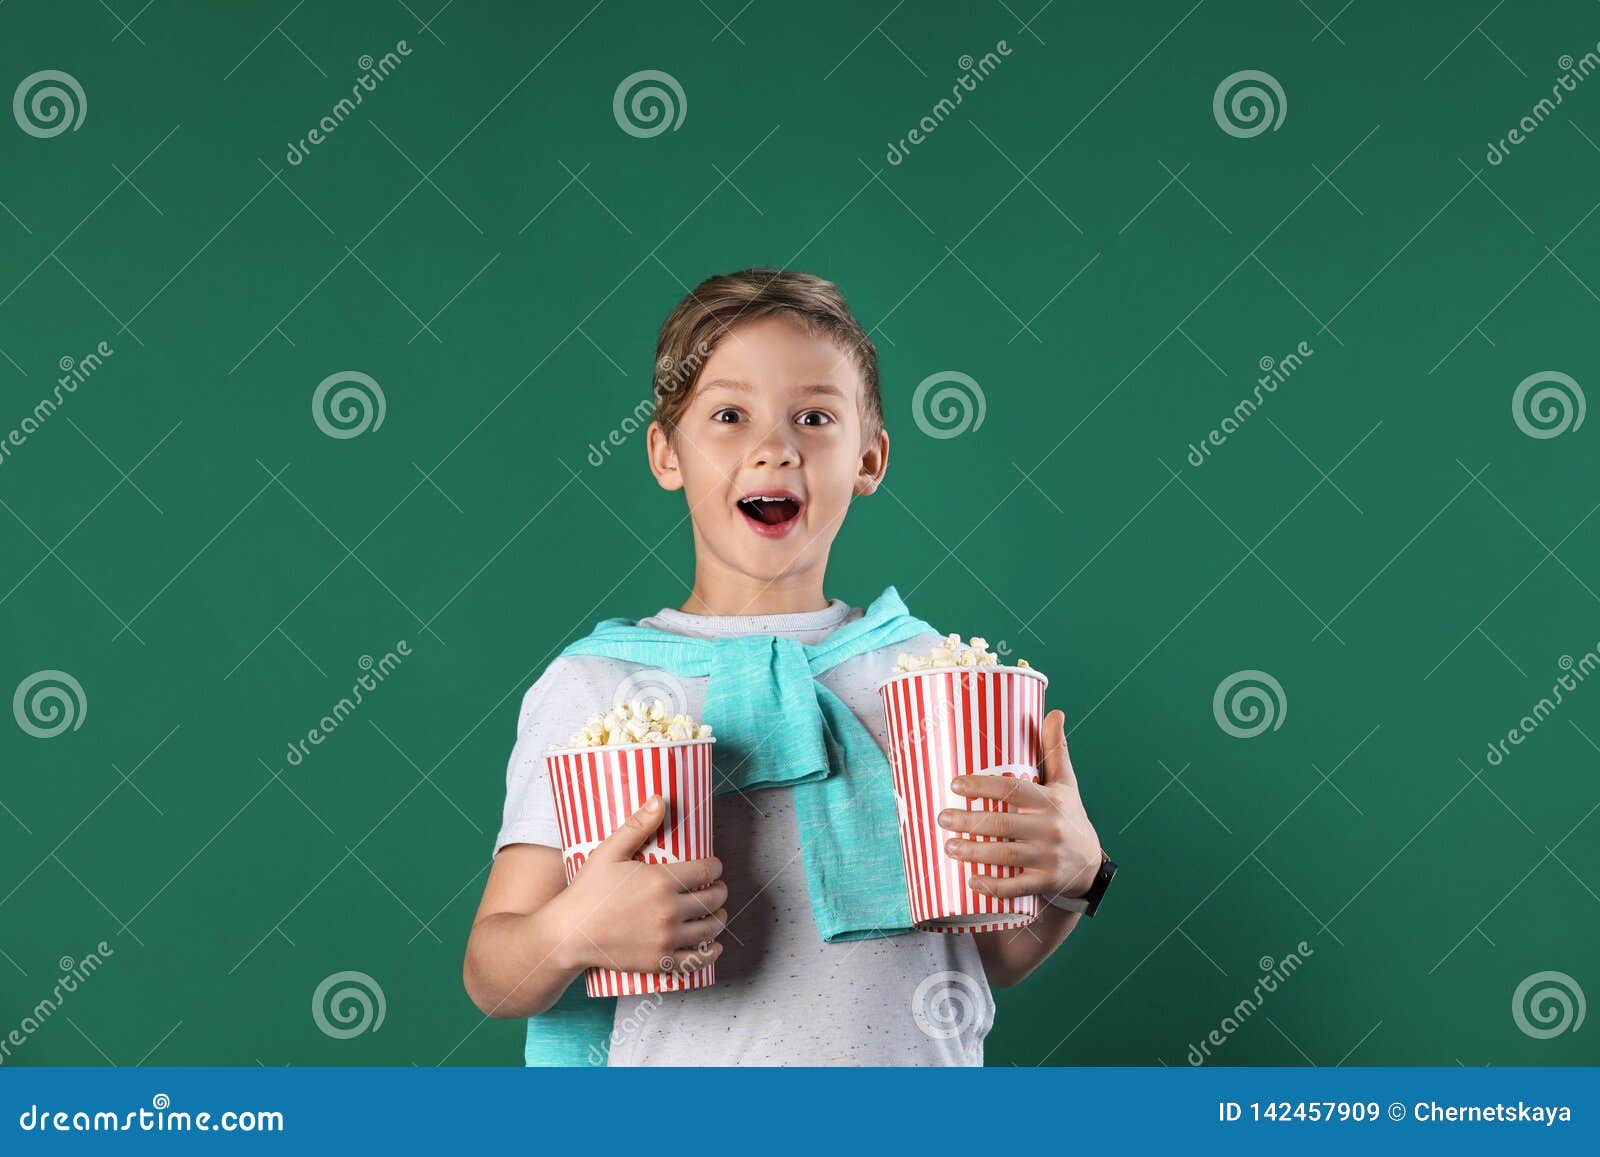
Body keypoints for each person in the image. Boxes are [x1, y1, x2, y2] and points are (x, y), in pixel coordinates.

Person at [461, 269, 1107, 1065]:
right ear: (666, 452)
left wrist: (1077, 875)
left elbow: (998, 957)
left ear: (869, 459)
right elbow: (493, 972)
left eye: (815, 416)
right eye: (729, 415)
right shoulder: (600, 686)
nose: (775, 446)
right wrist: (568, 930)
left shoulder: (934, 679)